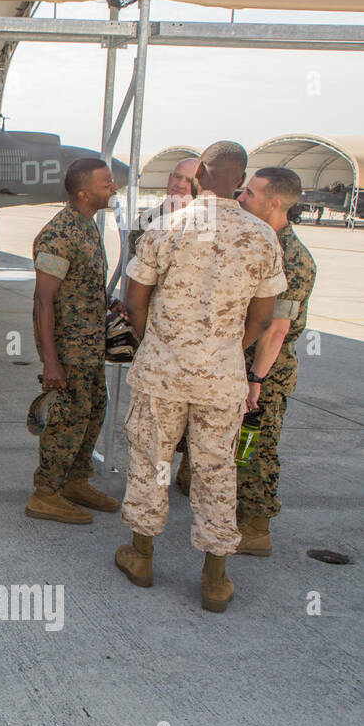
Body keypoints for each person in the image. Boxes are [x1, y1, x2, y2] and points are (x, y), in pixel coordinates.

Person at [114, 141, 285, 613]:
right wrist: (227, 349)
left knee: (152, 460)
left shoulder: (166, 226)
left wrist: (160, 344)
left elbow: (134, 302)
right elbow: (263, 316)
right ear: (242, 179)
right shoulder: (262, 236)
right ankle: (215, 578)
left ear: (201, 173)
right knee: (215, 469)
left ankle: (142, 557)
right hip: (221, 376)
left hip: (162, 372)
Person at [26, 159, 121, 524]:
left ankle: (75, 481)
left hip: (90, 347)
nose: (113, 188)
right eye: (106, 183)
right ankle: (45, 494)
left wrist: (109, 304)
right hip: (68, 350)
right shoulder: (59, 234)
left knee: (93, 412)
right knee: (67, 421)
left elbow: (79, 285)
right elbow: (43, 300)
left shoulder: (87, 226)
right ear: (83, 193)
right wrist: (51, 360)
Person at [235, 167, 317, 555]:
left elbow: (277, 328)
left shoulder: (293, 258)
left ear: (275, 203)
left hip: (266, 370)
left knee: (257, 447)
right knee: (238, 446)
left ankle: (256, 527)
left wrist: (255, 379)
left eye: (249, 193)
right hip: (245, 364)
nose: (241, 198)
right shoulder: (260, 241)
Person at [133, 157, 201, 495]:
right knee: (156, 422)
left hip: (202, 343)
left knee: (199, 417)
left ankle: (189, 471)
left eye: (187, 180)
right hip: (158, 336)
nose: (178, 184)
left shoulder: (210, 223)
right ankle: (156, 484)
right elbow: (137, 284)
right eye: (175, 176)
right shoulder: (149, 220)